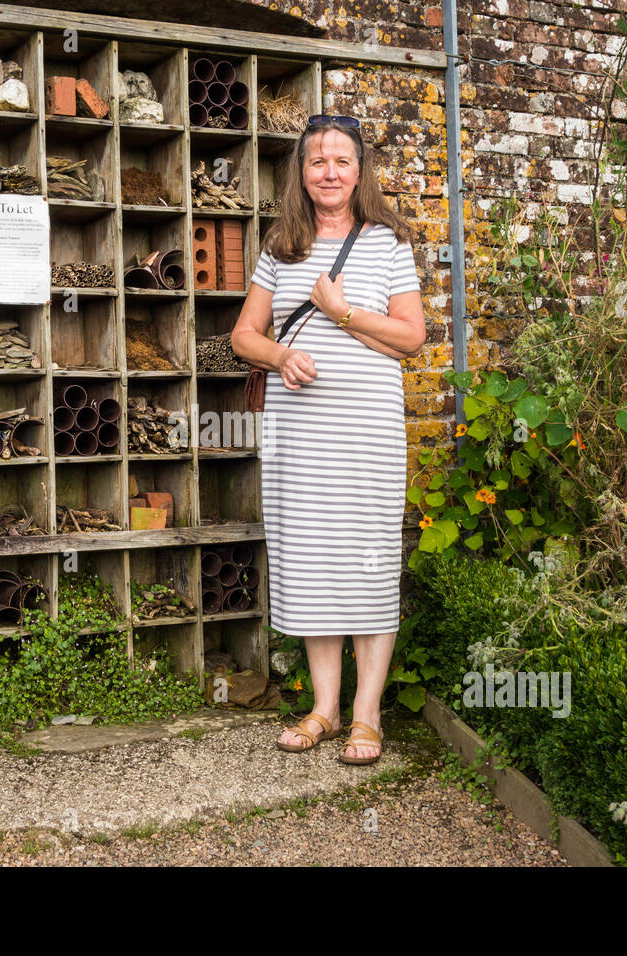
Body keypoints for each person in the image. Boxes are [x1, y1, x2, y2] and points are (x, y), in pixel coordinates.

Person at [230, 115, 426, 765]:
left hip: (366, 430)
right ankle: (324, 708)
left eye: (342, 160)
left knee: (367, 565)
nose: (330, 172)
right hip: (299, 433)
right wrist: (280, 356)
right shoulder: (281, 245)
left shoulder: (389, 243)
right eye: (317, 162)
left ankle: (367, 717)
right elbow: (243, 337)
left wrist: (341, 312)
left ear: (359, 169)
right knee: (313, 564)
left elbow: (411, 336)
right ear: (302, 174)